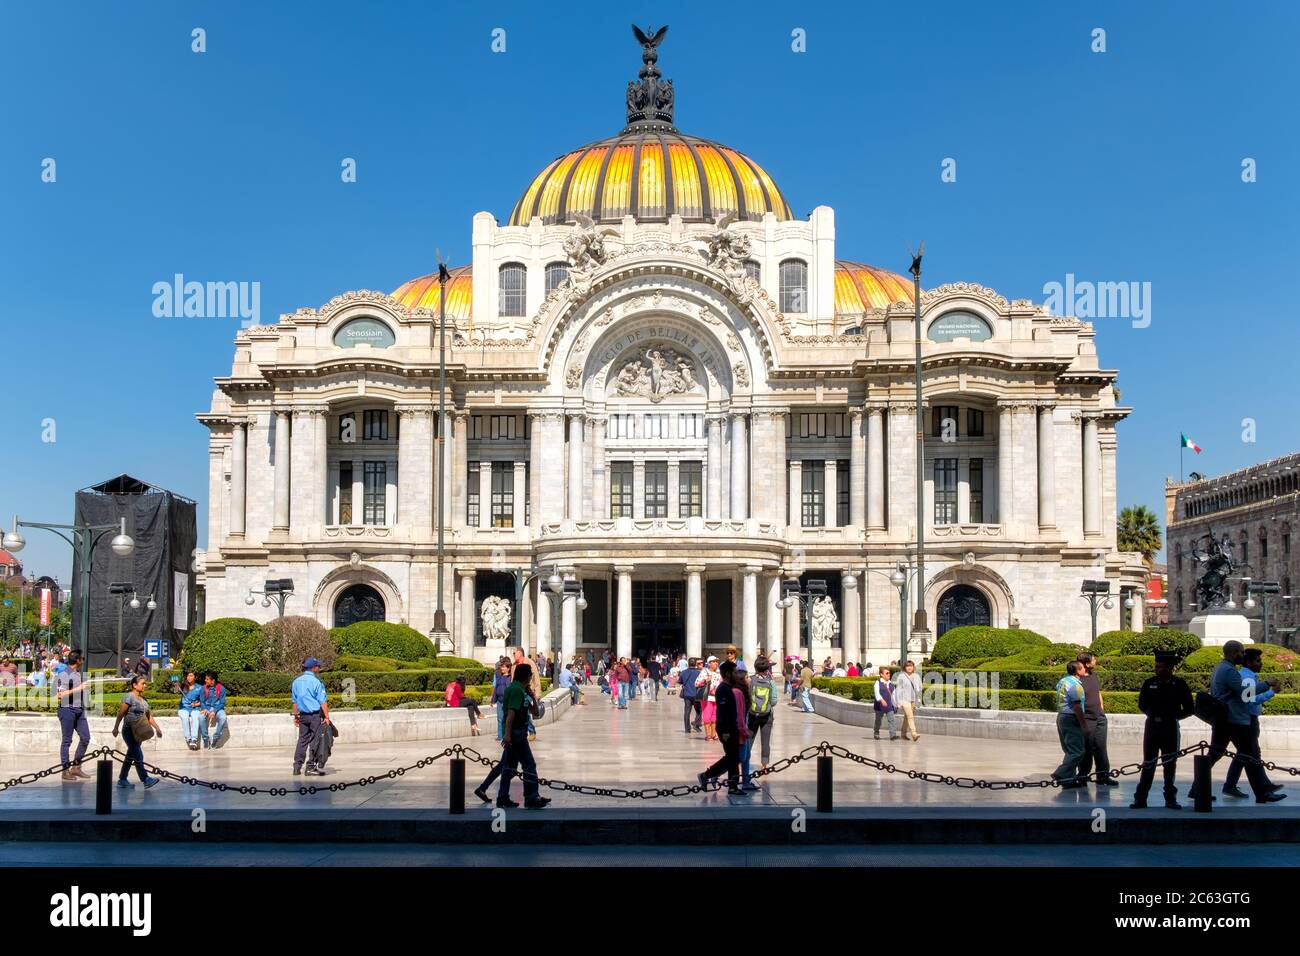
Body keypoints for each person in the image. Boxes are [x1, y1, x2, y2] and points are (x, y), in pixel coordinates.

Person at [1205, 641, 1285, 803]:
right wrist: (1267, 684)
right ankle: (1262, 793)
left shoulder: (1220, 668)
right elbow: (1245, 693)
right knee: (1249, 755)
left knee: (1219, 754)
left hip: (1226, 719)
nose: (1243, 655)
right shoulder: (1229, 671)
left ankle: (1197, 788)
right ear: (1234, 653)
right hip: (1233, 720)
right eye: (1241, 652)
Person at [1130, 651, 1194, 809]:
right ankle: (1141, 798)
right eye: (1156, 666)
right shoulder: (1149, 683)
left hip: (1169, 727)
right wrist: (1152, 714)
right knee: (1148, 763)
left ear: (1170, 668)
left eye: (1161, 667)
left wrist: (1174, 716)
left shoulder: (1179, 684)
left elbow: (1189, 707)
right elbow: (1142, 703)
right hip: (1152, 726)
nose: (1157, 669)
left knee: (1169, 764)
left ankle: (1170, 798)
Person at [494, 662, 551, 809]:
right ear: (527, 676)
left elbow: (536, 713)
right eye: (530, 675)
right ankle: (531, 798)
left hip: (519, 732)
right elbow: (511, 714)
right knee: (529, 765)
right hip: (516, 733)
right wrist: (507, 735)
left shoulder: (521, 690)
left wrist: (531, 695)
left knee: (509, 767)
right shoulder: (515, 690)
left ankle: (502, 797)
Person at [698, 661, 750, 795]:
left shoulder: (728, 688)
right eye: (733, 672)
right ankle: (711, 777)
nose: (735, 675)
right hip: (727, 729)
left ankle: (715, 778)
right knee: (732, 757)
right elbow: (723, 711)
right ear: (727, 674)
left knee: (732, 758)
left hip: (731, 727)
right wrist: (726, 731)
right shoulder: (723, 689)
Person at [111, 674, 162, 790]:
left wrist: (157, 728)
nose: (145, 685)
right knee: (138, 754)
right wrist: (115, 728)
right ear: (134, 685)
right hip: (129, 730)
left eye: (145, 683)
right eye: (142, 683)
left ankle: (122, 779)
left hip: (139, 731)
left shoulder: (144, 700)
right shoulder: (129, 697)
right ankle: (145, 779)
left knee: (130, 756)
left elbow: (148, 716)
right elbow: (121, 713)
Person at [1074, 652, 1114, 786]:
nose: (1095, 661)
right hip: (1087, 719)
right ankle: (1083, 776)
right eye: (1093, 659)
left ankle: (1103, 776)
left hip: (1099, 718)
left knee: (1101, 748)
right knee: (1086, 750)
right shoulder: (1077, 680)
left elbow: (1098, 692)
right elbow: (1076, 703)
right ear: (1086, 663)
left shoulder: (1093, 675)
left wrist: (1102, 709)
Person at [55, 651, 92, 782]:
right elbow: (60, 695)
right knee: (67, 741)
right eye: (82, 658)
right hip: (67, 709)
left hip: (79, 709)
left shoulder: (78, 673)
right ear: (77, 660)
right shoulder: (64, 674)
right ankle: (65, 771)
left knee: (85, 737)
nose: (83, 660)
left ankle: (76, 767)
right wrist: (79, 688)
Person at [291, 657, 331, 777]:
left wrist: (296, 716)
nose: (319, 668)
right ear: (313, 668)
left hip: (303, 716)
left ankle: (297, 767)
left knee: (302, 740)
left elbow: (294, 702)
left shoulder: (296, 681)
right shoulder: (316, 682)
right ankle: (310, 767)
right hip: (314, 716)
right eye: (318, 666)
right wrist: (327, 717)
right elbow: (322, 702)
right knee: (315, 741)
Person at [1051, 661, 1089, 788]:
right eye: (1083, 668)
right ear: (1078, 671)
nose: (1085, 669)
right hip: (1071, 718)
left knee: (1069, 750)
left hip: (1061, 716)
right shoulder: (1075, 686)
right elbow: (1077, 706)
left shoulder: (1063, 681)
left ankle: (1068, 781)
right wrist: (1084, 725)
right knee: (1078, 751)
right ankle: (1060, 774)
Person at [741, 656, 776, 789]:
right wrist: (766, 705)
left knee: (749, 739)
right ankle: (765, 765)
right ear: (767, 668)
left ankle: (744, 762)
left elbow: (746, 697)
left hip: (752, 714)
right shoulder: (771, 682)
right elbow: (774, 701)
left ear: (755, 667)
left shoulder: (750, 680)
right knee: (765, 741)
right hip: (767, 715)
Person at [509, 646, 541, 739]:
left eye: (514, 653)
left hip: (527, 691)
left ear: (520, 653)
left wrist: (538, 692)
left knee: (525, 712)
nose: (513, 655)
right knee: (519, 712)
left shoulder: (530, 663)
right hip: (517, 691)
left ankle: (531, 731)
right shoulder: (514, 665)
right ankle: (525, 731)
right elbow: (512, 679)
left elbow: (536, 678)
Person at [198, 671, 228, 749]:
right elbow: (202, 701)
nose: (205, 680)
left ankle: (216, 738)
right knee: (201, 718)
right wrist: (204, 709)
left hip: (218, 708)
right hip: (206, 708)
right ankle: (205, 738)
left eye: (207, 679)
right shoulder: (203, 688)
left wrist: (214, 711)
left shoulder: (221, 688)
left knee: (223, 718)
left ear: (213, 680)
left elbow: (222, 703)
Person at [895, 659, 922, 741]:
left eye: (911, 666)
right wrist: (899, 702)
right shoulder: (901, 676)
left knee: (907, 717)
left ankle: (903, 734)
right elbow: (898, 689)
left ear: (913, 667)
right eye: (907, 666)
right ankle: (914, 733)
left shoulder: (917, 676)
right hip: (904, 699)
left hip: (913, 700)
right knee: (910, 716)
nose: (909, 668)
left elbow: (920, 687)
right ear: (904, 667)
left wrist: (919, 690)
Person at [177, 669, 204, 751]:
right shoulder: (183, 686)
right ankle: (188, 738)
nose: (189, 677)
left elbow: (203, 701)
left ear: (195, 677)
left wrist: (195, 704)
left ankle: (194, 739)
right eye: (188, 675)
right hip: (183, 708)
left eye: (191, 675)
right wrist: (176, 685)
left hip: (195, 708)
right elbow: (175, 691)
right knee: (185, 718)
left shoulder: (200, 688)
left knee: (196, 717)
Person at [697, 656, 722, 739]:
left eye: (716, 661)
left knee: (715, 716)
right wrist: (705, 680)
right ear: (709, 663)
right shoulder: (704, 672)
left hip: (717, 697)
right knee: (707, 715)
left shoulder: (718, 673)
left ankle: (713, 734)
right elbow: (696, 683)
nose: (716, 663)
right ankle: (708, 735)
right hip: (707, 697)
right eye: (714, 661)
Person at [873, 666, 899, 740]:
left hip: (889, 706)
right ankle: (876, 732)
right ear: (881, 674)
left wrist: (896, 704)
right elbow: (877, 693)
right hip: (879, 706)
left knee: (891, 720)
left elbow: (893, 696)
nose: (889, 674)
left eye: (889, 673)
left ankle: (892, 735)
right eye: (887, 673)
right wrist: (881, 700)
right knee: (878, 721)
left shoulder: (891, 685)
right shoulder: (877, 683)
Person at [489, 659, 512, 740]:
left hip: (508, 701)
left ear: (508, 668)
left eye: (503, 667)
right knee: (499, 718)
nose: (501, 669)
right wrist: (492, 700)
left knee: (507, 719)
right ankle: (500, 736)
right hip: (499, 701)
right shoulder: (499, 676)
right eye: (501, 667)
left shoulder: (511, 678)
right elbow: (495, 688)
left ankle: (507, 735)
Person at [679, 657, 702, 733]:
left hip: (687, 694)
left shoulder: (683, 672)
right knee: (699, 711)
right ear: (695, 664)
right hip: (696, 694)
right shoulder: (699, 673)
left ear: (688, 664)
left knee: (687, 712)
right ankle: (696, 724)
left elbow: (680, 681)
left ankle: (687, 729)